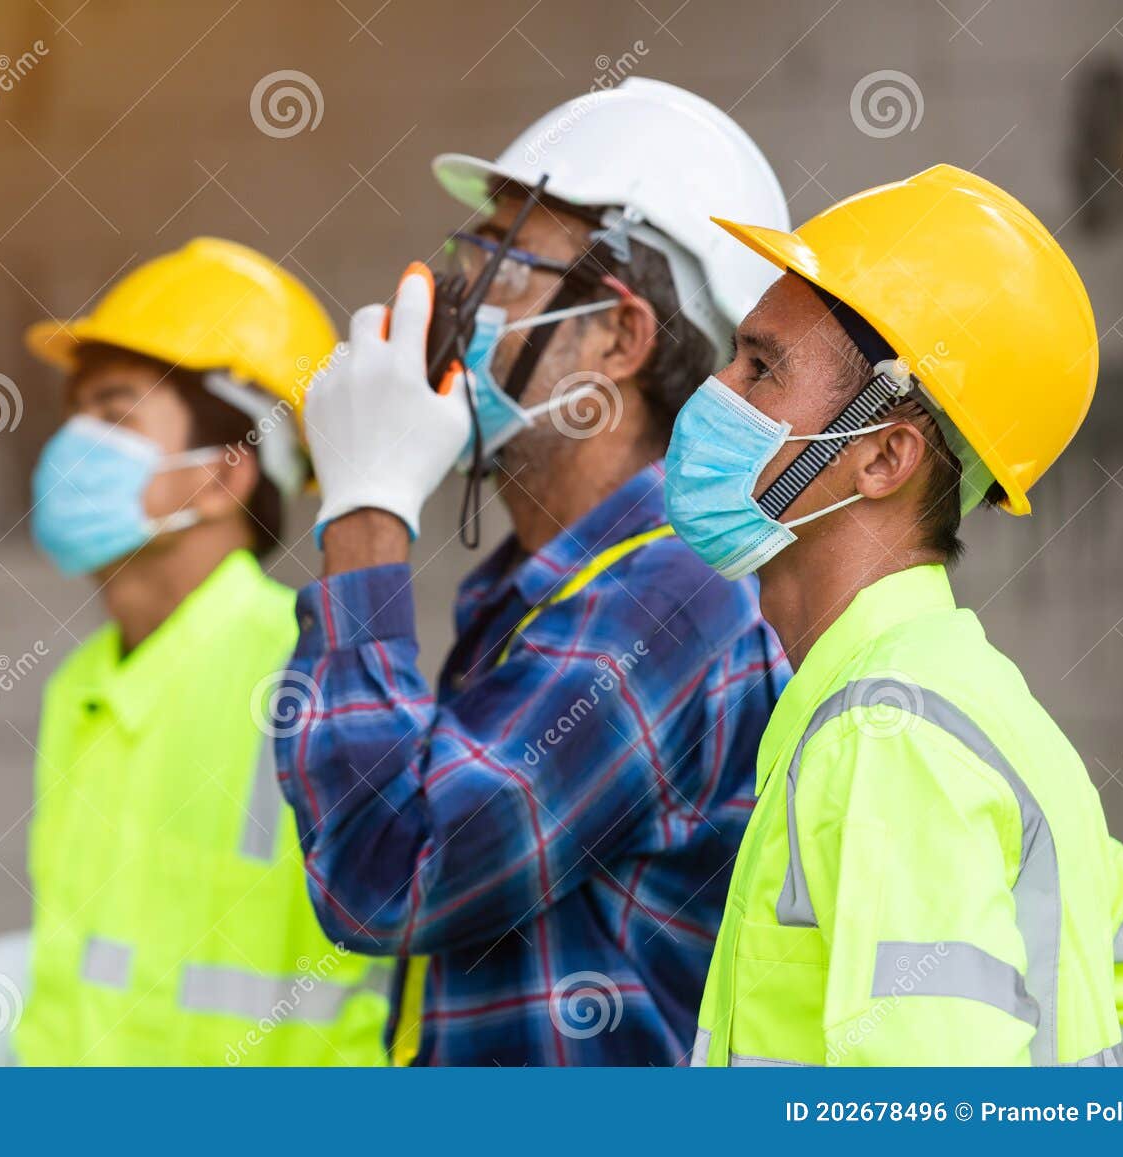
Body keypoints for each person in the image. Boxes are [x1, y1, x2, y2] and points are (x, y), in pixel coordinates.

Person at [274, 79, 790, 1066]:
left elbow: (383, 873)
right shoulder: (552, 589)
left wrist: (369, 506)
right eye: (468, 258)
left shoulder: (664, 604)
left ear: (620, 337)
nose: (457, 305)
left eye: (502, 272)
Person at [666, 164, 1123, 1066]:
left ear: (884, 455)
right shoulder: (963, 699)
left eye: (763, 367)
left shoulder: (887, 735)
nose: (716, 391)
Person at [13, 238, 389, 1066]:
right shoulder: (83, 684)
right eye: (74, 412)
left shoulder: (317, 671)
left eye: (113, 413)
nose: (74, 444)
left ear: (223, 476)